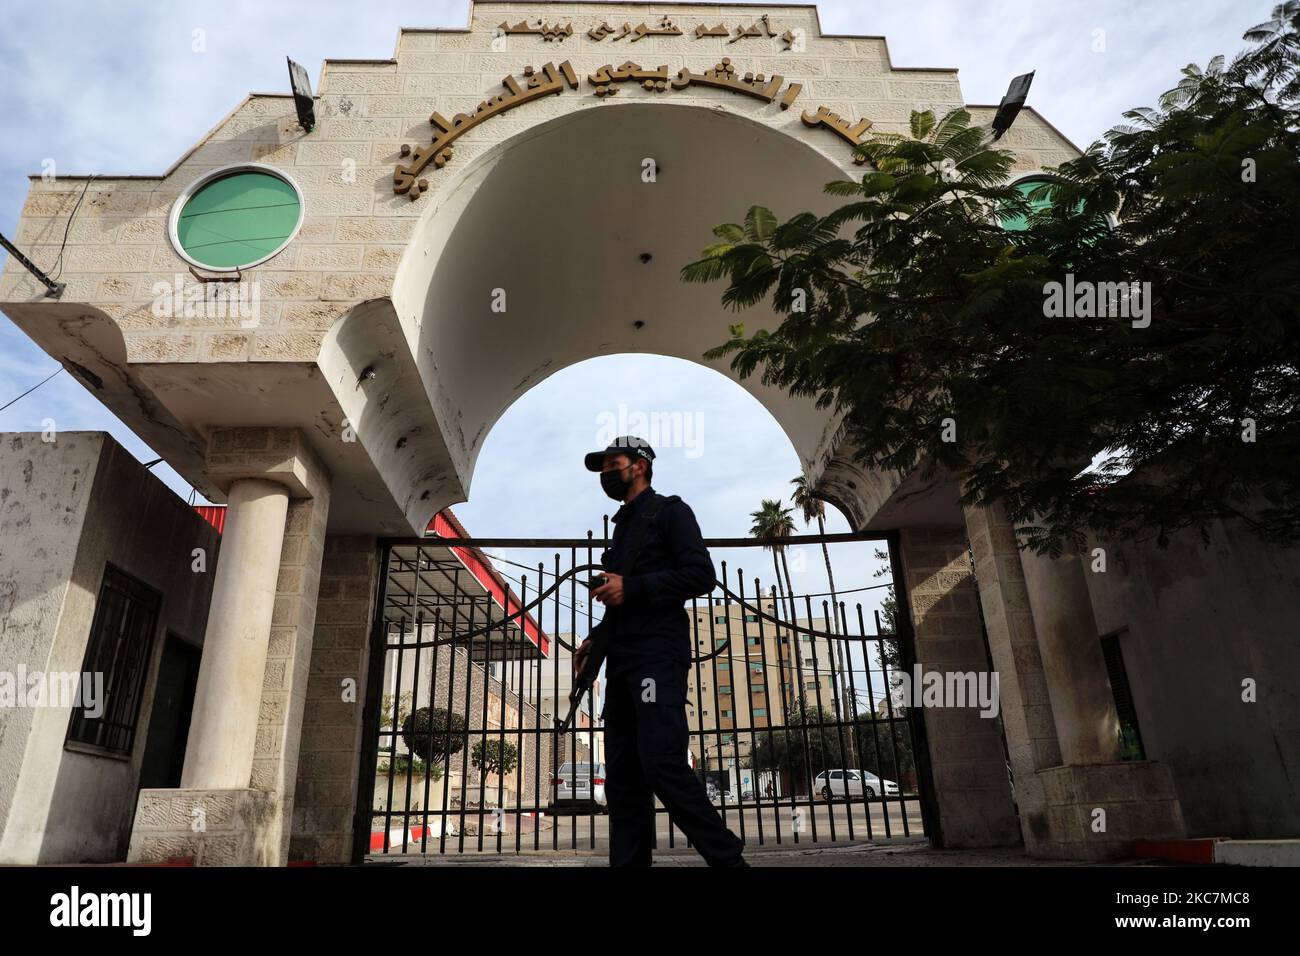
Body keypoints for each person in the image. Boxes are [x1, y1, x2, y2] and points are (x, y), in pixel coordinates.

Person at [574, 436, 748, 868]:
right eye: (603, 468)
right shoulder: (621, 528)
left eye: (613, 464)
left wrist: (631, 586)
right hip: (622, 662)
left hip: (657, 656)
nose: (607, 474)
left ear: (640, 465)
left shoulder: (670, 511)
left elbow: (700, 575)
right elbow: (621, 603)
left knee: (662, 763)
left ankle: (730, 861)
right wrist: (595, 641)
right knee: (623, 779)